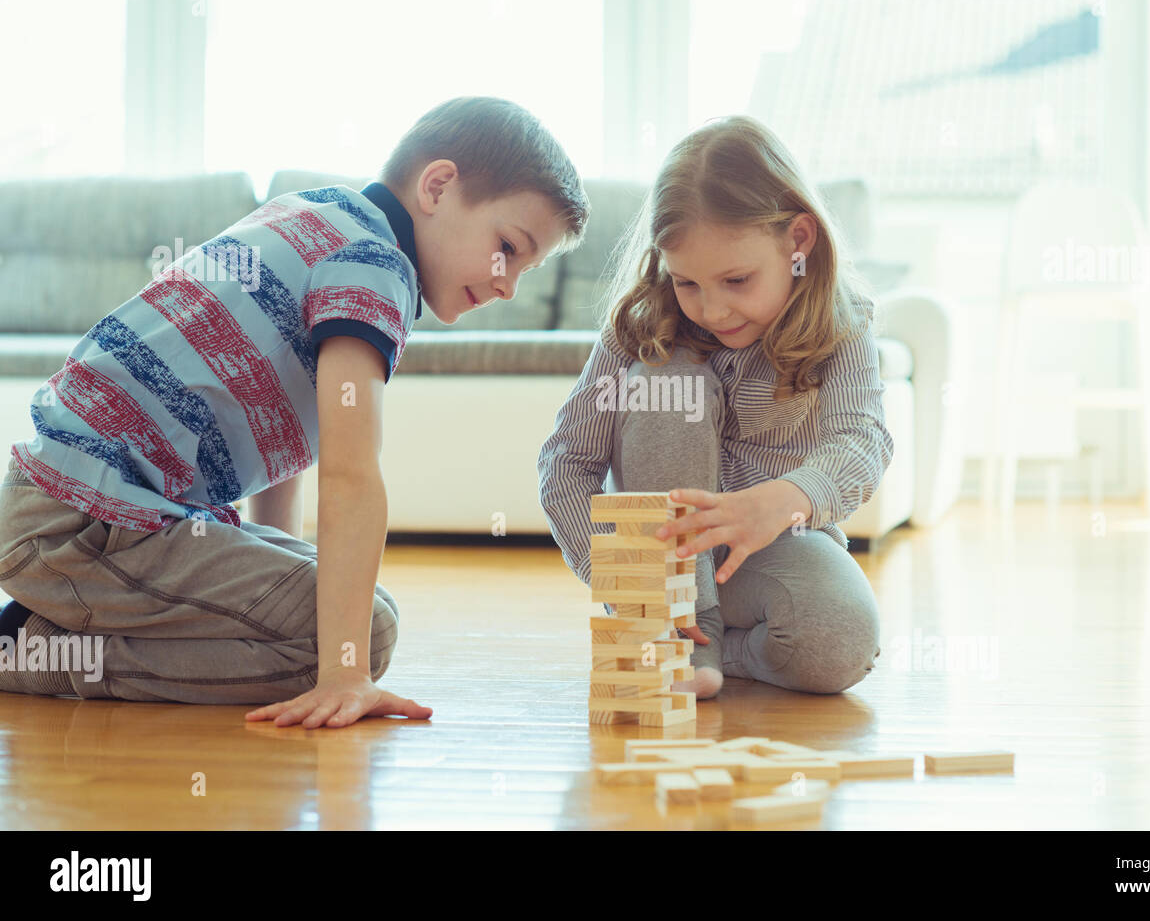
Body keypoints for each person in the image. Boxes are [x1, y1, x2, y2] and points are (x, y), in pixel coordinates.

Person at [0, 96, 588, 729]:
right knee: (367, 631)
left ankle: (43, 624)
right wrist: (344, 675)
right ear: (438, 186)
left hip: (64, 509)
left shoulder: (322, 215)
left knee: (340, 599)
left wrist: (279, 554)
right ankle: (35, 654)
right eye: (508, 247)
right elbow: (351, 471)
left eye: (526, 268)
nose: (508, 285)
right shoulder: (376, 266)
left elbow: (278, 424)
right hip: (83, 523)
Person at [538, 115, 891, 700]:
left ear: (797, 241)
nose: (713, 310)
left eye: (736, 280)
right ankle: (682, 628)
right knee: (667, 378)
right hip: (661, 561)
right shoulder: (638, 328)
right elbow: (566, 462)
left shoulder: (843, 324)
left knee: (841, 641)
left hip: (774, 552)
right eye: (687, 284)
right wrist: (622, 575)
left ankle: (711, 649)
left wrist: (785, 500)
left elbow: (862, 443)